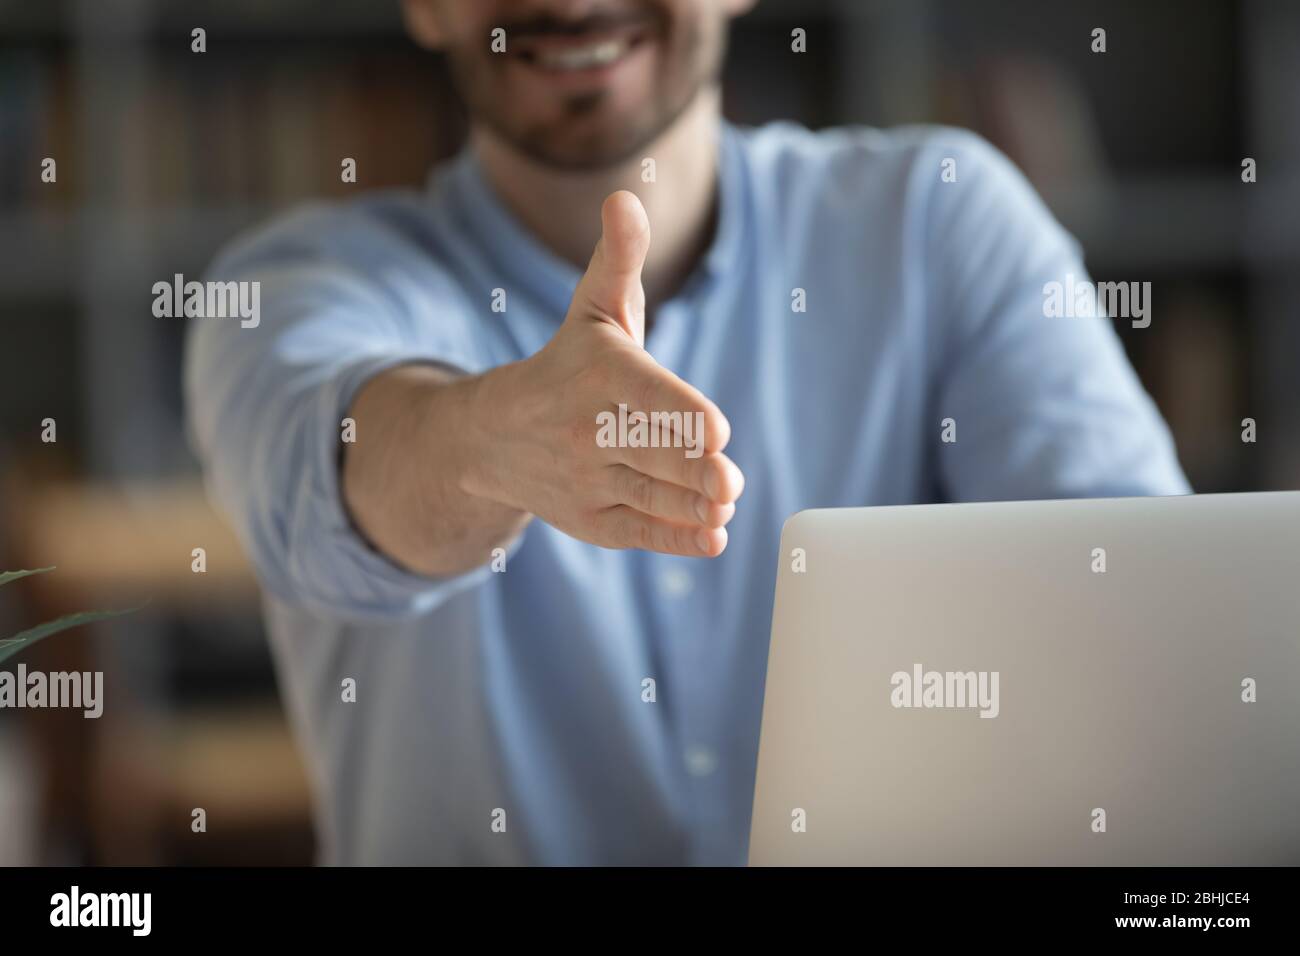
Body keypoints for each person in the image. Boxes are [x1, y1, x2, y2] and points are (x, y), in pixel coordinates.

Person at [184, 0, 1188, 864]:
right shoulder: (279, 291)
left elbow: (1150, 632)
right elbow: (347, 481)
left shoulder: (942, 224)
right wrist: (496, 438)